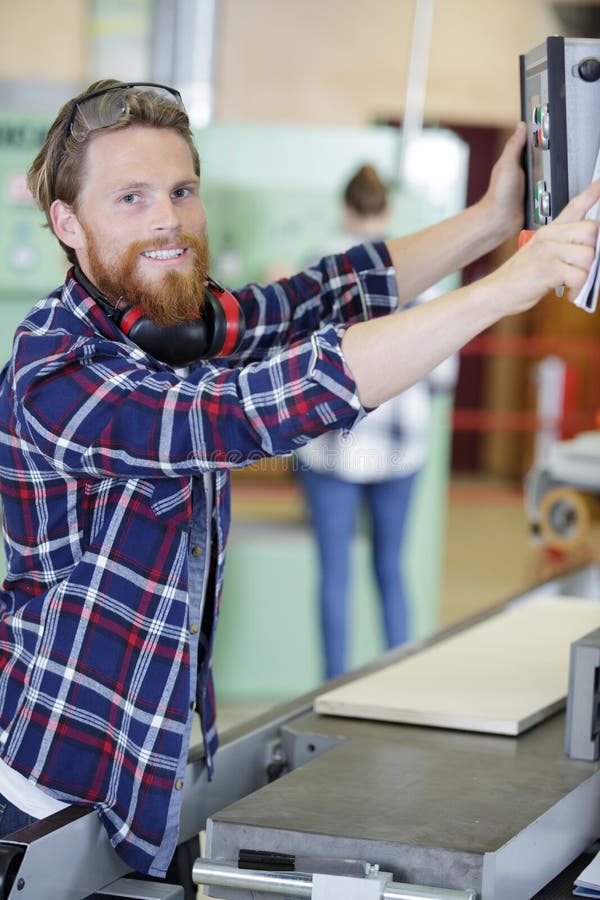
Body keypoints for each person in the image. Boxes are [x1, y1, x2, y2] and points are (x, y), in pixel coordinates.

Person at [0, 79, 598, 887]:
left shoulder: (168, 323)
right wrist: (503, 290)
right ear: (68, 223)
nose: (167, 219)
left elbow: (324, 296)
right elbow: (251, 408)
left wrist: (492, 223)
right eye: (131, 198)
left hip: (138, 773)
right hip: (38, 790)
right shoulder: (56, 372)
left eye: (181, 191)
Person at [297, 163, 458, 679]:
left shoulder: (316, 268)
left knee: (334, 574)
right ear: (387, 208)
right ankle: (399, 686)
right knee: (390, 568)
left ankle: (330, 691)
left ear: (345, 209)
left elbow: (293, 366)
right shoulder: (418, 270)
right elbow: (443, 375)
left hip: (329, 447)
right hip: (400, 448)